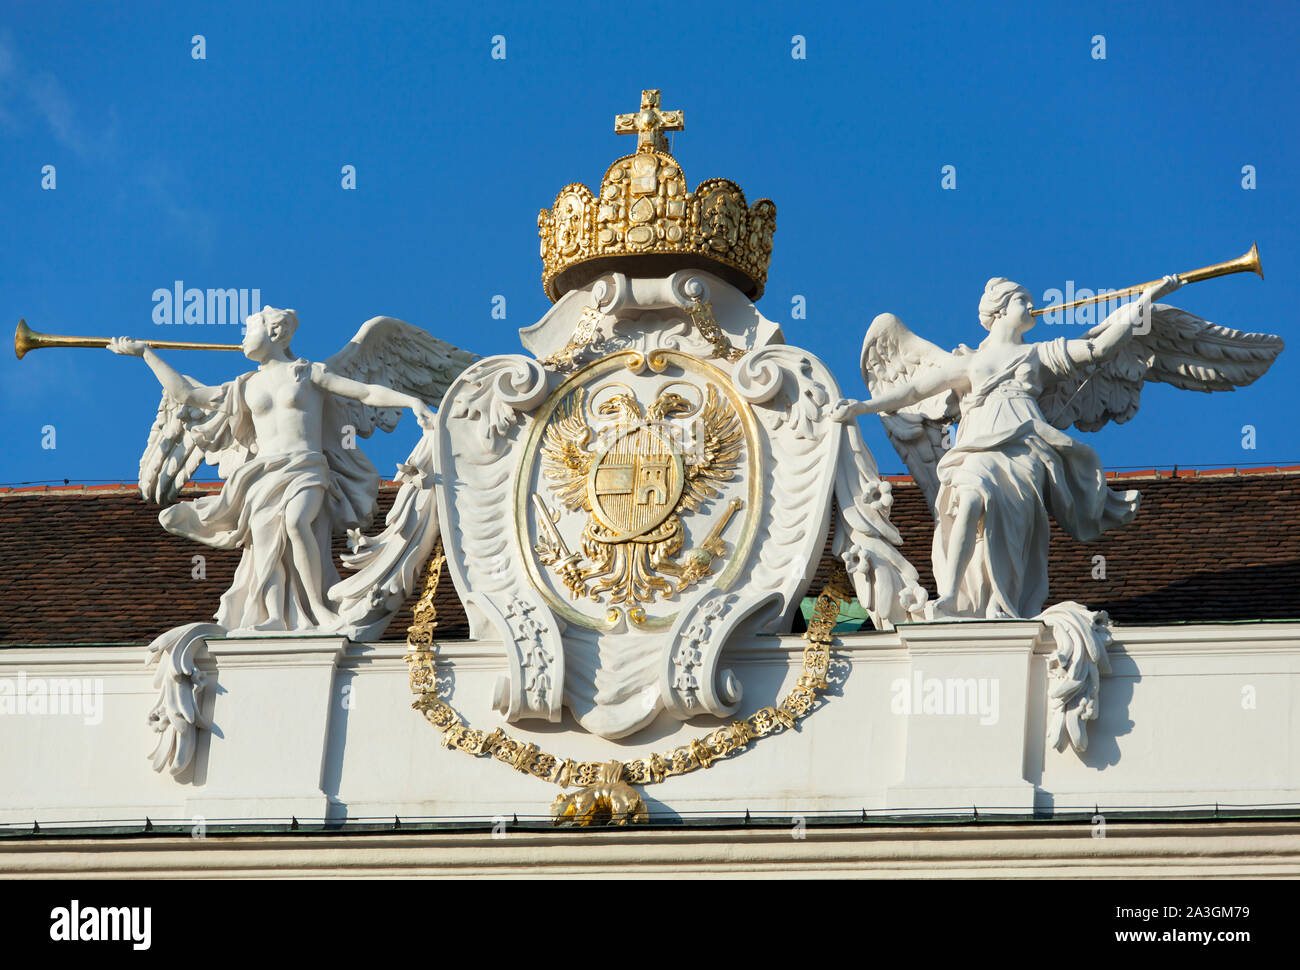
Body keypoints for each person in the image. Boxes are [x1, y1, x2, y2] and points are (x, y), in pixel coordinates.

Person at [835, 274, 1182, 618]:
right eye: (1021, 300)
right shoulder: (970, 361)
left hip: (1024, 448)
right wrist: (864, 407)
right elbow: (914, 391)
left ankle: (1005, 603)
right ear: (999, 310)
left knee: (1012, 527)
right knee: (969, 499)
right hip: (977, 445)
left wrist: (1146, 300)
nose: (1031, 305)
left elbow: (1099, 348)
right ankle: (951, 596)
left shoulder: (1039, 353)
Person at [109, 306, 436, 631]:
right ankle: (274, 616)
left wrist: (412, 402)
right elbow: (187, 394)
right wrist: (145, 353)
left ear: (275, 333)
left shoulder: (309, 373)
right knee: (267, 546)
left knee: (296, 522)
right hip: (262, 475)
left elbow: (364, 391)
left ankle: (320, 609)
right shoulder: (244, 386)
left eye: (248, 330)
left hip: (305, 467)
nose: (242, 338)